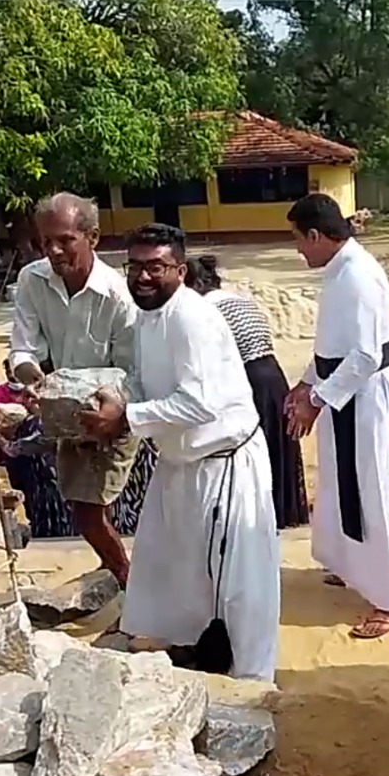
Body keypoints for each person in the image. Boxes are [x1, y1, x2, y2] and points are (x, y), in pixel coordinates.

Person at [82, 223, 281, 682]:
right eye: (134, 266)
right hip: (179, 464)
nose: (143, 277)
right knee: (180, 568)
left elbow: (199, 403)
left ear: (181, 270)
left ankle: (253, 680)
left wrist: (126, 418)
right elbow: (149, 384)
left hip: (224, 464)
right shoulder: (149, 316)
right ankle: (197, 650)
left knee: (238, 582)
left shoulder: (191, 317)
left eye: (155, 267)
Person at [284, 193, 389, 641]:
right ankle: (356, 566)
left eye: (298, 240)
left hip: (369, 399)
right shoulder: (338, 271)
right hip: (343, 395)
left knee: (377, 492)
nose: (297, 250)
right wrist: (306, 382)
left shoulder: (360, 275)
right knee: (344, 487)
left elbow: (367, 355)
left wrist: (317, 399)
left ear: (316, 235)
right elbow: (330, 346)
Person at [9, 192, 140, 583]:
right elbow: (24, 346)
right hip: (62, 412)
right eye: (45, 241)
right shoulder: (32, 280)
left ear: (93, 238)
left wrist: (114, 414)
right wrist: (33, 379)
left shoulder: (117, 295)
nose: (53, 250)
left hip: (112, 408)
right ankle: (120, 574)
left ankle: (127, 578)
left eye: (64, 239)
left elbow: (133, 368)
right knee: (85, 503)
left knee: (91, 507)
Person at [187, 253, 310, 530]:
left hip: (249, 380)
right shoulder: (239, 299)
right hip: (273, 375)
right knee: (276, 448)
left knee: (252, 455)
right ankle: (282, 512)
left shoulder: (205, 310)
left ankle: (259, 517)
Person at [0, 402, 77, 539]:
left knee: (52, 514)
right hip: (43, 482)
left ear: (9, 423)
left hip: (47, 483)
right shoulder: (30, 428)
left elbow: (15, 452)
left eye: (0, 424)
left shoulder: (31, 432)